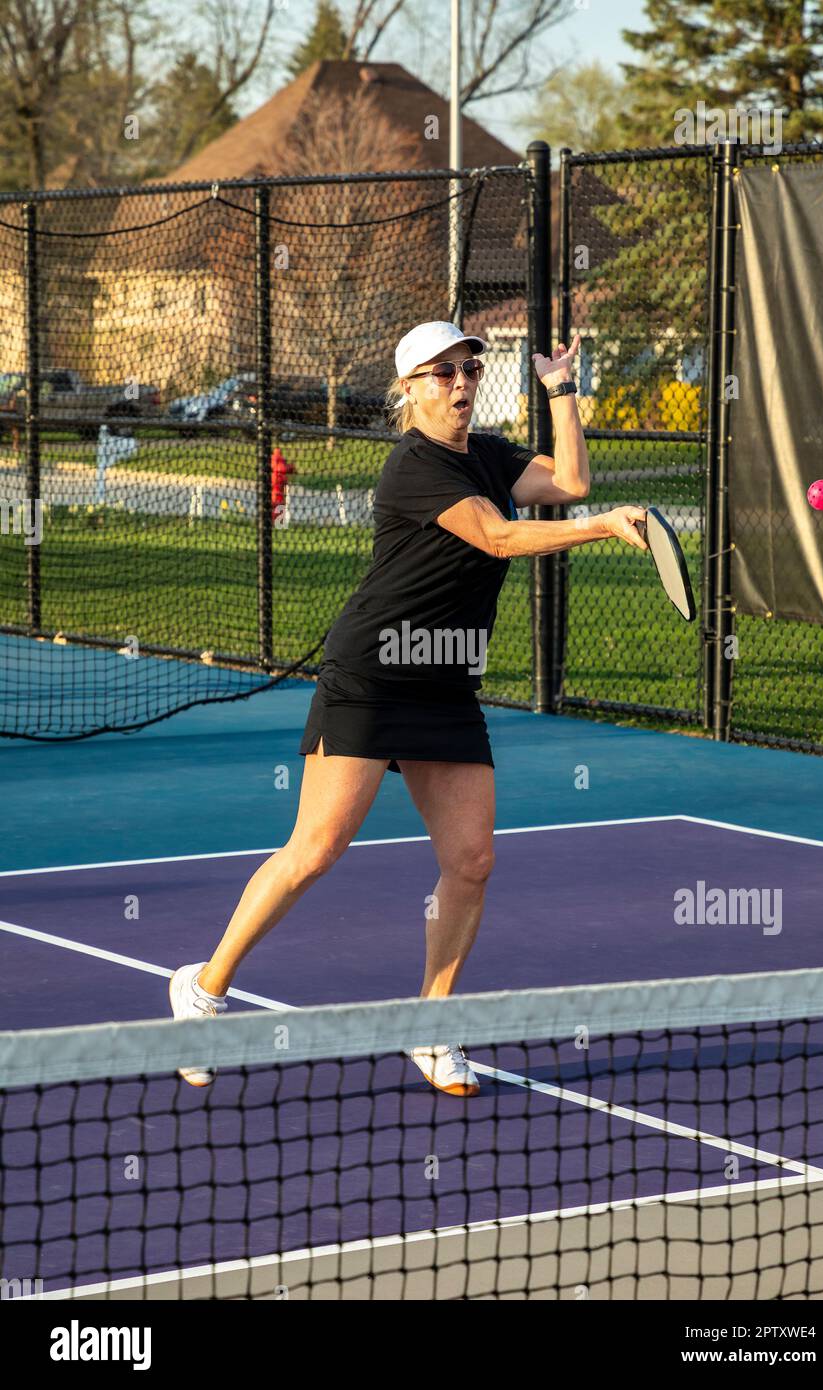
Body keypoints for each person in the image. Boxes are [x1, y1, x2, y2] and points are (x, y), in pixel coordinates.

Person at [170, 321, 647, 1096]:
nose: (460, 384)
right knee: (316, 850)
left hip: (447, 681)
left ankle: (430, 1028)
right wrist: (597, 531)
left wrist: (562, 391)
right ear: (410, 390)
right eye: (441, 373)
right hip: (373, 675)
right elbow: (495, 537)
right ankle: (203, 987)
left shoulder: (488, 454)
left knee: (471, 861)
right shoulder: (412, 468)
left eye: (469, 369)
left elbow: (570, 483)